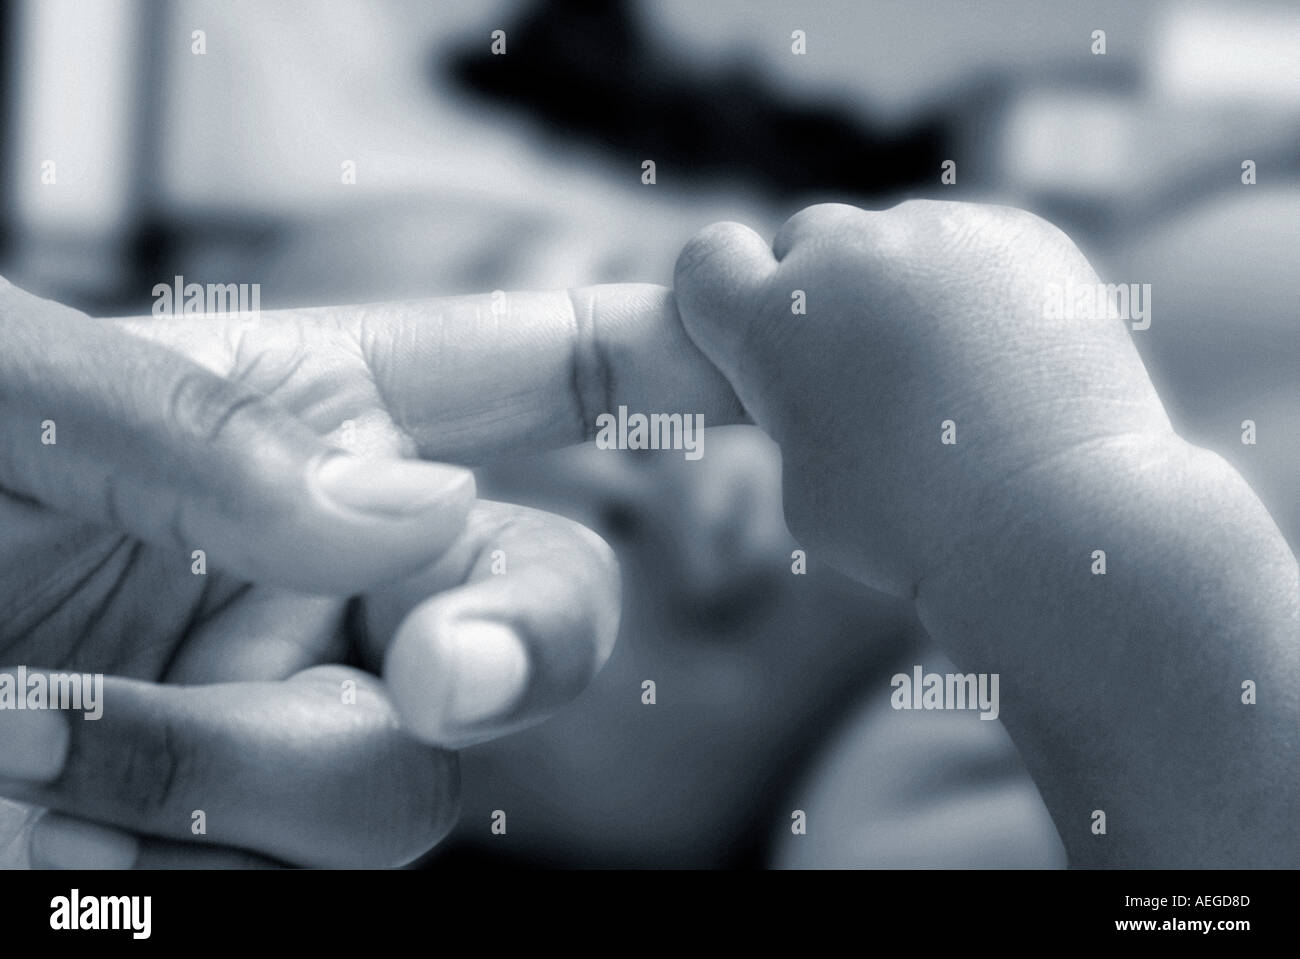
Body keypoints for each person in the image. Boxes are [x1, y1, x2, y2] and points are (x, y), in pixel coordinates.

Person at [2, 199, 1295, 867]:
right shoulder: (893, 822)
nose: (613, 473)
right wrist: (1044, 499)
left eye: (540, 313)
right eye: (390, 583)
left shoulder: (1182, 263)